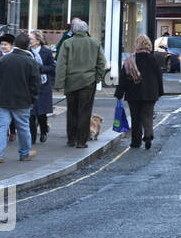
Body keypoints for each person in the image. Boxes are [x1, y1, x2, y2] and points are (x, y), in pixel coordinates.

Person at [0, 33, 39, 163]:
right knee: (23, 127)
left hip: (3, 99)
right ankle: (24, 153)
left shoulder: (3, 60)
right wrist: (33, 99)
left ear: (15, 44)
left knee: (2, 127)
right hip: (22, 101)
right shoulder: (31, 62)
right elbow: (35, 84)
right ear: (27, 46)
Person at [54, 17, 107, 149]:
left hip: (71, 82)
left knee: (71, 111)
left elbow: (61, 65)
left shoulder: (67, 43)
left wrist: (59, 83)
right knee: (85, 111)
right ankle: (81, 141)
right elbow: (102, 64)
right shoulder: (95, 43)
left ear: (73, 30)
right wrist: (98, 78)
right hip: (89, 82)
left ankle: (71, 139)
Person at [115, 34, 164, 150]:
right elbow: (159, 76)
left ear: (136, 45)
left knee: (135, 118)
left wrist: (119, 93)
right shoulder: (153, 59)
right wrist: (160, 91)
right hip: (150, 93)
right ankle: (148, 136)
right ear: (148, 45)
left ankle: (135, 142)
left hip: (133, 93)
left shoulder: (130, 60)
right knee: (147, 116)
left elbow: (123, 78)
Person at [27, 32, 56, 143]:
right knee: (31, 113)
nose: (29, 40)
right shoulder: (27, 52)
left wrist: (41, 68)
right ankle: (32, 137)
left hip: (44, 85)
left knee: (42, 113)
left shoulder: (47, 52)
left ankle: (43, 131)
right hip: (30, 85)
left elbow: (52, 68)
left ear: (38, 41)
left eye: (31, 39)